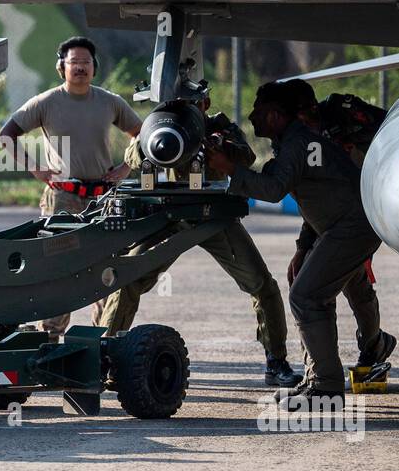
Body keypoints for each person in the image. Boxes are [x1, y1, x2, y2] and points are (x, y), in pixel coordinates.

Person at [98, 98, 302, 386]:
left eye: (194, 101)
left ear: (205, 102)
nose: (187, 106)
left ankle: (276, 360)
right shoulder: (157, 122)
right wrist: (151, 135)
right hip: (167, 214)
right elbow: (133, 159)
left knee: (262, 285)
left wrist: (220, 146)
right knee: (128, 279)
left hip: (214, 215)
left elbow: (246, 157)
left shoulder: (219, 125)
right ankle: (104, 358)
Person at [206, 81, 386, 405]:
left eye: (258, 111)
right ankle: (320, 377)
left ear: (275, 116)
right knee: (311, 291)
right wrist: (304, 248)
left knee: (307, 295)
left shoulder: (298, 144)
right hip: (342, 229)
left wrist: (230, 169)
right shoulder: (297, 142)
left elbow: (274, 189)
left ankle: (328, 385)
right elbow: (299, 188)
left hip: (350, 229)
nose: (251, 116)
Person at [0, 36, 142, 335]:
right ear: (61, 67)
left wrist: (126, 167)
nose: (80, 68)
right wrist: (35, 168)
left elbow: (141, 134)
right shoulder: (47, 102)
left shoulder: (110, 102)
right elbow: (6, 135)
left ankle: (104, 341)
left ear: (95, 67)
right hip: (62, 199)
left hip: (103, 200)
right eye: (74, 63)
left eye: (86, 63)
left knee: (107, 270)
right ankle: (50, 340)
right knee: (59, 271)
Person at [280, 79, 396, 373]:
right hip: (333, 220)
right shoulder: (302, 141)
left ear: (307, 108)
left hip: (364, 213)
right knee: (317, 284)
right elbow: (314, 205)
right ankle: (358, 350)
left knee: (348, 283)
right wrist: (302, 248)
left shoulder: (344, 117)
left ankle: (369, 347)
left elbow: (391, 131)